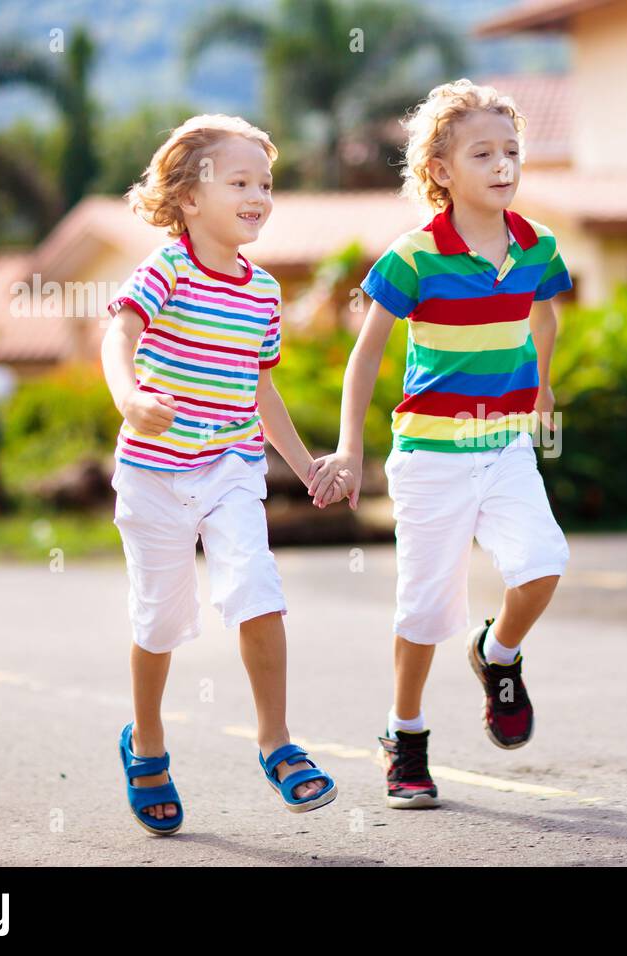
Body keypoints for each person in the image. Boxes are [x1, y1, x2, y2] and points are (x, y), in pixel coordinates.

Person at [307, 80, 572, 808]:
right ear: (442, 171)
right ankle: (407, 735)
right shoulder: (414, 256)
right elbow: (365, 356)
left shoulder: (538, 244)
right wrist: (348, 448)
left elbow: (544, 317)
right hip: (429, 457)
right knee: (425, 611)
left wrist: (542, 384)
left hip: (506, 446)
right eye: (482, 153)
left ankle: (498, 653)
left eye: (511, 151)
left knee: (544, 564)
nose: (502, 164)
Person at [100, 114, 346, 834]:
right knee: (161, 620)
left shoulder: (264, 293)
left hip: (231, 466)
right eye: (239, 181)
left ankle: (277, 742)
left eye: (265, 184)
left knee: (255, 586)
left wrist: (307, 468)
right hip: (152, 474)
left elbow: (260, 391)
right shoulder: (165, 269)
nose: (258, 195)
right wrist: (130, 398)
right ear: (187, 197)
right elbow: (120, 335)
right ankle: (146, 743)